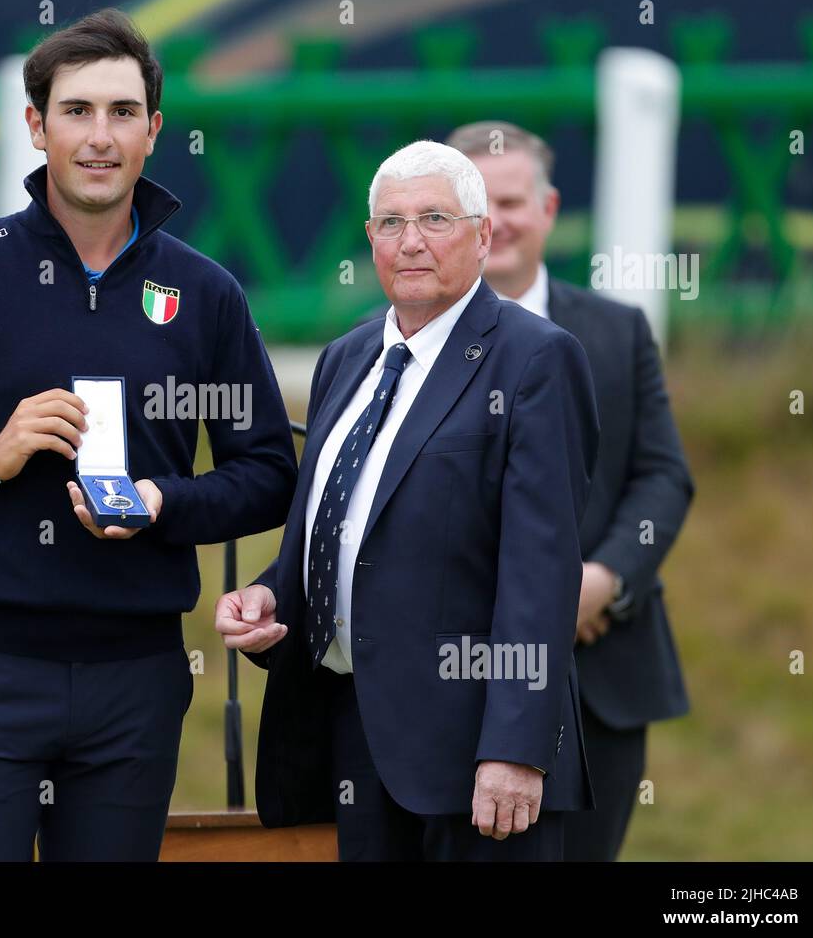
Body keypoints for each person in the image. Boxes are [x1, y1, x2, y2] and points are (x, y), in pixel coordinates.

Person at [0, 9, 297, 861]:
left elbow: (266, 472)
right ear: (36, 127)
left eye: (121, 112)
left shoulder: (207, 292)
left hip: (138, 679)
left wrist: (164, 503)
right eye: (76, 111)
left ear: (154, 129)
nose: (100, 136)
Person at [216, 140, 599, 861]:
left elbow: (540, 573)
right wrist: (275, 595)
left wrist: (515, 749)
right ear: (370, 240)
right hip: (349, 736)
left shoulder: (536, 359)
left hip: (472, 755)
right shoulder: (347, 356)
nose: (411, 241)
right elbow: (344, 525)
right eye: (391, 224)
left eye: (435, 219)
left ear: (483, 235)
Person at [447, 120, 692, 861]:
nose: (499, 219)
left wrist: (600, 581)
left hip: (601, 677)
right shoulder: (403, 344)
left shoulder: (618, 334)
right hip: (457, 683)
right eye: (477, 201)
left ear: (549, 209)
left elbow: (663, 475)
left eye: (514, 199)